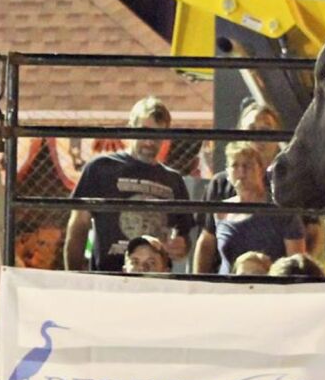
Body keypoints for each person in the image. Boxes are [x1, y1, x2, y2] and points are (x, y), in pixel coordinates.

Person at [63, 96, 194, 272]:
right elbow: (79, 225)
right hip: (109, 277)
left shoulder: (174, 180)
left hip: (155, 280)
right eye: (144, 132)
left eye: (157, 135)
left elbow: (184, 235)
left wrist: (181, 246)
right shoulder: (101, 168)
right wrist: (73, 277)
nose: (149, 142)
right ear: (131, 127)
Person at [194, 141, 305, 274]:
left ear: (261, 170)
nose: (241, 171)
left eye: (248, 165)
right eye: (235, 165)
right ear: (228, 173)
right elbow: (205, 248)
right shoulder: (220, 210)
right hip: (228, 287)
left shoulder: (281, 210)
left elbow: (296, 261)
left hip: (269, 288)